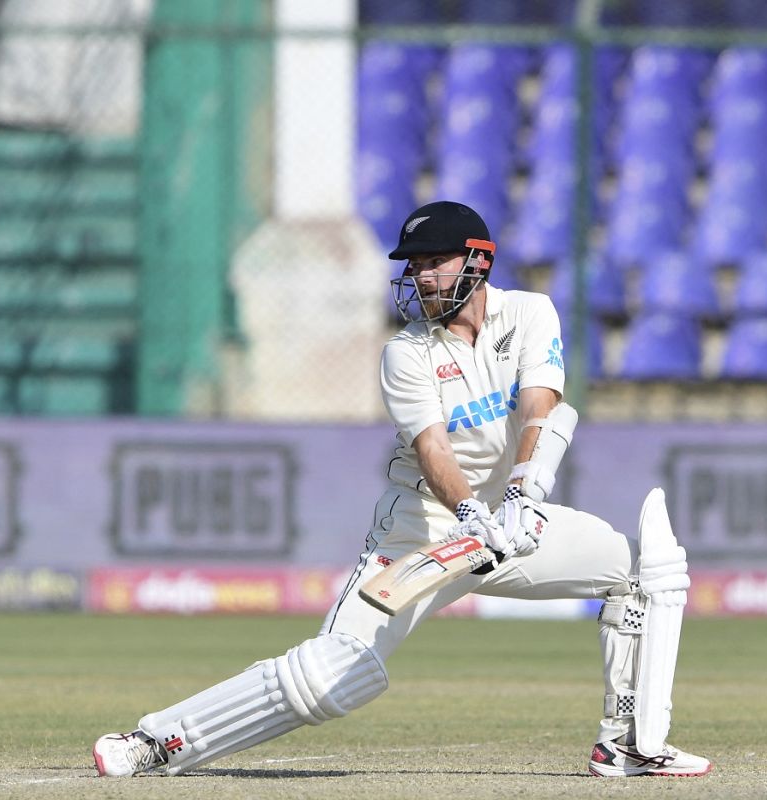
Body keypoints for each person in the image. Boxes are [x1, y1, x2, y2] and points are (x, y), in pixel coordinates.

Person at [93, 200, 712, 779]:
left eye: (433, 264)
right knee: (335, 673)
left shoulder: (531, 313)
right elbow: (434, 449)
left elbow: (540, 408)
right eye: (414, 268)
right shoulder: (406, 353)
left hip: (512, 521)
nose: (421, 278)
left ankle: (626, 744)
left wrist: (522, 496)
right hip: (423, 528)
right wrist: (471, 512)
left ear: (478, 260)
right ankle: (153, 743)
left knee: (637, 572)